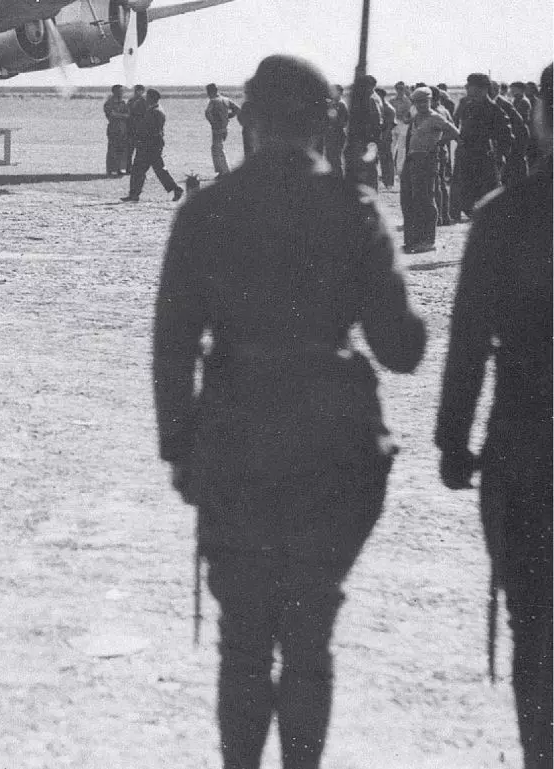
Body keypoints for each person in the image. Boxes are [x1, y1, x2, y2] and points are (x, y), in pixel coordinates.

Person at [154, 54, 426, 769]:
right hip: (332, 453)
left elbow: (171, 347)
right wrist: (376, 237)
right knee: (309, 639)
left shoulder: (207, 211)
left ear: (251, 119)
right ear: (322, 123)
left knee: (242, 640)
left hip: (235, 445)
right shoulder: (351, 208)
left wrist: (180, 450)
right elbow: (402, 347)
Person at [435, 62, 552, 769]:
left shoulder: (505, 215)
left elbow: (470, 342)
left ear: (542, 119)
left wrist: (453, 442)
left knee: (535, 631)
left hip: (527, 454)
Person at [400, 87, 456, 253]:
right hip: (412, 160)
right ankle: (413, 240)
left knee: (425, 200)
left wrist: (437, 144)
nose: (422, 105)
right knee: (409, 200)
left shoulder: (435, 117)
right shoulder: (416, 117)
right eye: (418, 102)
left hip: (427, 161)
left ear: (430, 100)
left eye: (425, 101)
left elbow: (454, 133)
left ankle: (428, 240)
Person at [452, 73, 510, 217]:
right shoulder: (468, 105)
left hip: (484, 159)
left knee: (487, 199)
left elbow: (506, 136)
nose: (467, 89)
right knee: (466, 199)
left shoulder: (494, 109)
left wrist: (500, 155)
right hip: (467, 157)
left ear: (482, 89)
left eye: (470, 86)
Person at [123, 88, 181, 201]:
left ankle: (134, 194)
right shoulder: (154, 110)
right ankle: (134, 194)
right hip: (151, 145)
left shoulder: (156, 111)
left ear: (151, 98)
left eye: (147, 97)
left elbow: (152, 130)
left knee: (141, 170)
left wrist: (140, 139)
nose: (145, 99)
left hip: (150, 145)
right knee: (155, 170)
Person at [204, 83, 241, 176]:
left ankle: (224, 171)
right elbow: (237, 109)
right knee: (218, 147)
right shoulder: (226, 100)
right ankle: (222, 171)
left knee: (217, 148)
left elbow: (207, 113)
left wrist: (213, 122)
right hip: (225, 127)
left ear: (210, 91)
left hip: (217, 128)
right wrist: (227, 116)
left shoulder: (213, 101)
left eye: (208, 92)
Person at [104, 85, 132, 176]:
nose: (122, 93)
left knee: (122, 150)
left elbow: (128, 115)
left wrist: (119, 115)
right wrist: (122, 116)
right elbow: (111, 115)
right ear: (114, 92)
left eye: (122, 91)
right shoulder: (109, 103)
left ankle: (120, 169)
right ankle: (111, 170)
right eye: (120, 91)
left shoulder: (123, 103)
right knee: (112, 150)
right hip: (113, 129)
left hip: (123, 130)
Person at [375, 87, 399, 190]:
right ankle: (385, 181)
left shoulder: (388, 108)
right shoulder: (380, 107)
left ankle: (389, 182)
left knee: (387, 160)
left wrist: (383, 137)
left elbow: (390, 125)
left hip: (385, 137)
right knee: (382, 160)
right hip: (380, 137)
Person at [324, 84, 350, 175]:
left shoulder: (341, 105)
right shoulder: (331, 103)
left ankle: (338, 180)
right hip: (330, 135)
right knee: (329, 158)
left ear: (340, 92)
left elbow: (343, 123)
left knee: (335, 159)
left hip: (337, 135)